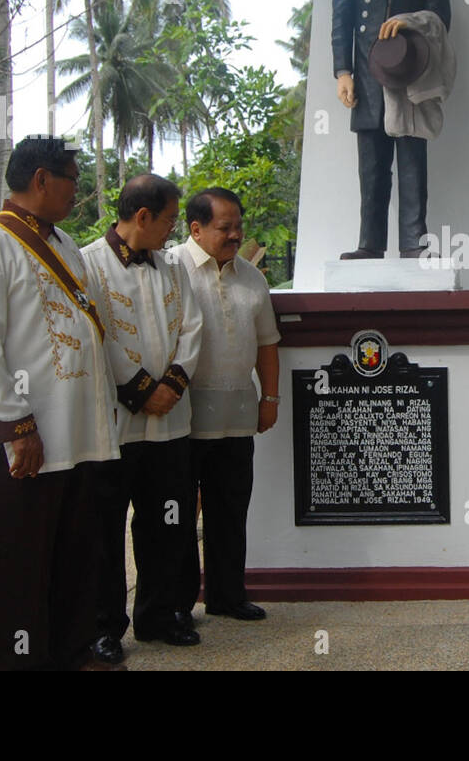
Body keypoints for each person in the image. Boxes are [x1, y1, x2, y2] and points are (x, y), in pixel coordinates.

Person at [0, 135, 120, 670]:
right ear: (41, 180)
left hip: (77, 436)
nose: (78, 191)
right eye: (72, 178)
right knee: (24, 569)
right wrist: (16, 427)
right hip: (26, 442)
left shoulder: (66, 245)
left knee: (74, 559)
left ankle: (71, 655)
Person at [81, 174, 203, 661]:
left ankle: (161, 613)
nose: (173, 231)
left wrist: (171, 383)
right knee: (106, 527)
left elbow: (192, 325)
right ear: (143, 217)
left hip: (171, 419)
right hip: (114, 421)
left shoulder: (173, 266)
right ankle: (103, 626)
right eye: (171, 220)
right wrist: (138, 390)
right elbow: (94, 333)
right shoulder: (87, 263)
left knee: (167, 521)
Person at [171, 188, 281, 621]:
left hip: (238, 414)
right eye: (224, 228)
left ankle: (227, 596)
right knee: (177, 515)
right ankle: (176, 605)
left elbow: (268, 344)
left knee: (230, 510)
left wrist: (269, 399)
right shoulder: (170, 269)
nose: (236, 234)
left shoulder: (252, 278)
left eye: (238, 226)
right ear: (195, 229)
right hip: (182, 417)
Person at [332, 0, 451, 259]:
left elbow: (441, 20)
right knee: (372, 168)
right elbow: (342, 24)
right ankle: (370, 244)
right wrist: (343, 72)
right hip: (367, 81)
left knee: (414, 164)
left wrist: (409, 21)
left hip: (410, 77)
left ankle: (415, 243)